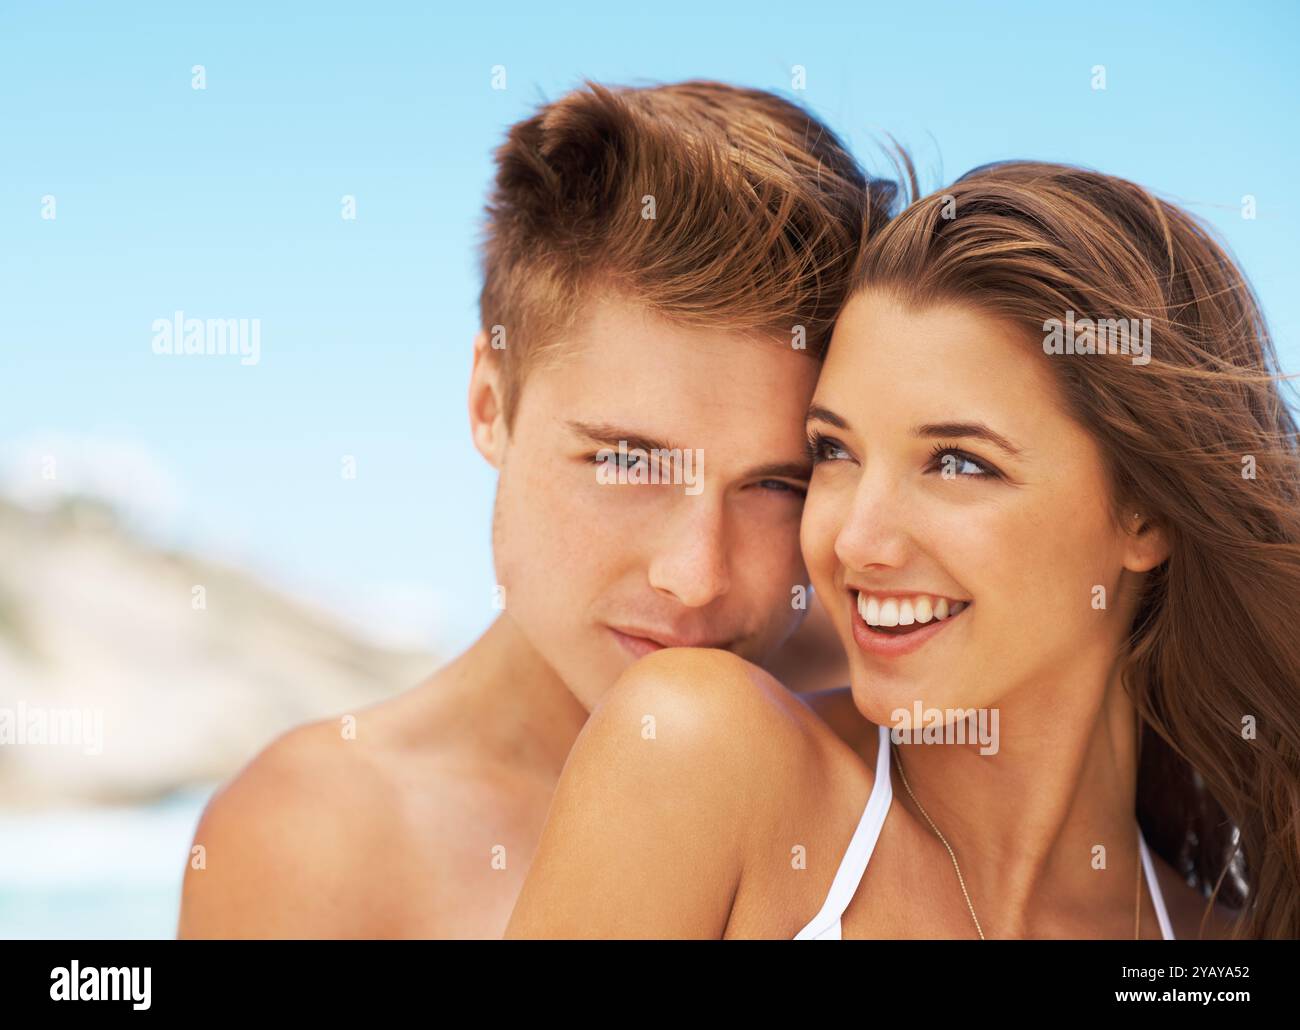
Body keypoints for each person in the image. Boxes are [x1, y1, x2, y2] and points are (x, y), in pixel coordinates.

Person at [177, 80, 899, 938]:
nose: (696, 576)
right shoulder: (321, 843)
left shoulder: (912, 737)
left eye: (777, 485)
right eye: (628, 460)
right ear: (489, 401)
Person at [505, 161, 1300, 939]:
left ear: (1145, 517)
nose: (856, 540)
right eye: (833, 451)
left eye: (958, 463)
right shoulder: (701, 753)